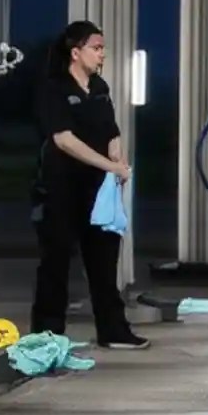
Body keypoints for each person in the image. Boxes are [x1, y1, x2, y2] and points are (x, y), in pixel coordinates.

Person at [30, 20, 149, 349]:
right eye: (96, 48)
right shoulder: (54, 88)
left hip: (98, 193)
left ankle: (113, 330)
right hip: (60, 190)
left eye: (103, 48)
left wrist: (118, 162)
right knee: (55, 263)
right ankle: (47, 335)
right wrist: (109, 164)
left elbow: (112, 132)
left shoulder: (100, 89)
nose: (102, 54)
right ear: (75, 51)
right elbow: (65, 141)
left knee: (103, 264)